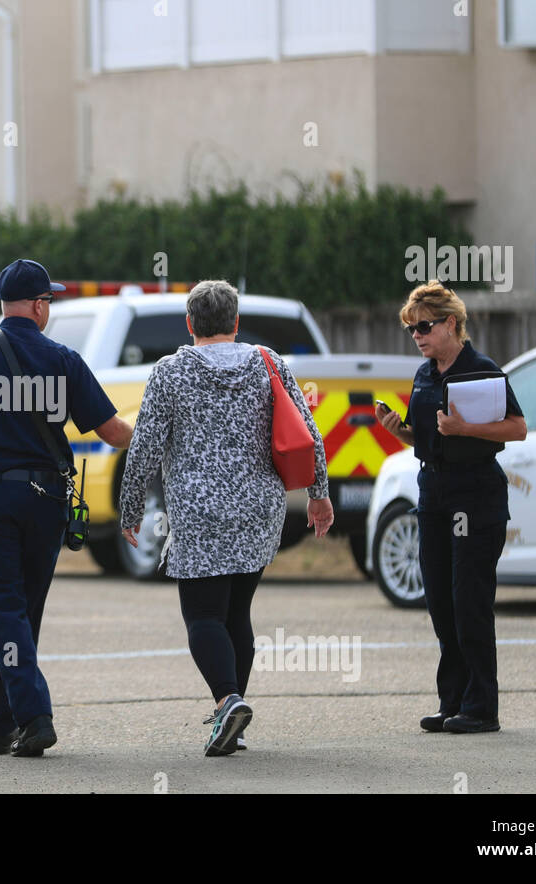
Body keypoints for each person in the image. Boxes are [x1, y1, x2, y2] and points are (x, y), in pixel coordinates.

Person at [0, 258, 134, 757]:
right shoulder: (63, 359)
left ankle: (35, 718)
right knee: (21, 613)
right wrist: (165, 439)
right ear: (39, 306)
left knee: (5, 610)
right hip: (46, 502)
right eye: (49, 301)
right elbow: (112, 432)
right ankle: (1, 726)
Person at [118, 279, 332, 756]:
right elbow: (310, 433)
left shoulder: (170, 372)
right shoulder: (268, 362)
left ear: (190, 323)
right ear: (235, 322)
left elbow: (145, 446)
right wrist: (319, 494)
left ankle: (227, 700)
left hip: (199, 511)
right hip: (261, 509)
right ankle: (230, 717)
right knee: (237, 612)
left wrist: (129, 509)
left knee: (203, 615)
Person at [376, 281, 526, 736]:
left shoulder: (481, 370)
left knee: (469, 600)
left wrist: (465, 427)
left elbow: (517, 428)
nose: (417, 336)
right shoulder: (425, 373)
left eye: (424, 326)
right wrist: (396, 430)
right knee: (440, 599)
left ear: (451, 324)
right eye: (411, 329)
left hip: (476, 496)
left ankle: (483, 706)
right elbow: (427, 439)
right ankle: (454, 701)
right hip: (435, 492)